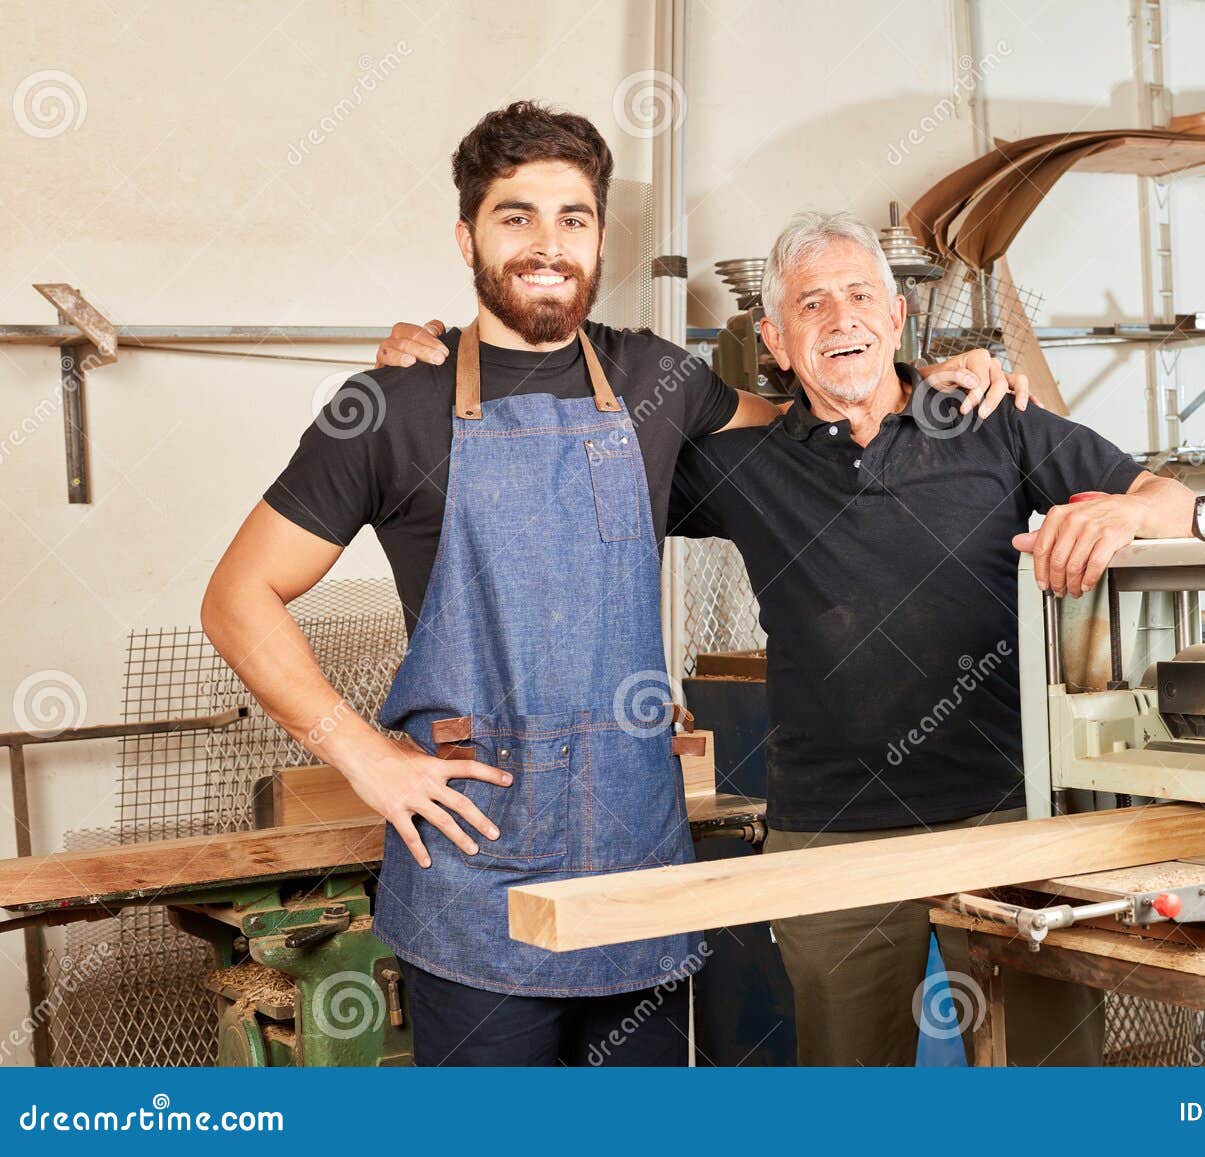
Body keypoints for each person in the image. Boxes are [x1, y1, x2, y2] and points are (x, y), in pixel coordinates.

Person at [202, 102, 1024, 1068]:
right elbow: (236, 596)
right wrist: (364, 755)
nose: (548, 244)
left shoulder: (657, 378)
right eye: (517, 217)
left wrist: (932, 372)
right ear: (466, 235)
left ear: (599, 238)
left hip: (636, 857)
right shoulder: (389, 406)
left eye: (574, 218)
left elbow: (829, 408)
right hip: (474, 868)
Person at [663, 210, 1198, 1065]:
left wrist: (1126, 514)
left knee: (1057, 1079)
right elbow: (594, 472)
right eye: (811, 305)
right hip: (835, 833)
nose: (842, 319)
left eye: (860, 294)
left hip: (1011, 816)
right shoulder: (744, 459)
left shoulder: (993, 417)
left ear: (897, 315)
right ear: (773, 336)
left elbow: (1177, 503)